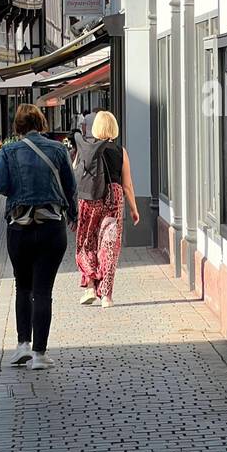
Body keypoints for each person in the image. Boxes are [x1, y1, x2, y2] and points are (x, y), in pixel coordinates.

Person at [0, 103, 77, 369]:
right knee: (43, 291)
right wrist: (73, 215)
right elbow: (70, 187)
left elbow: (1, 185)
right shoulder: (58, 149)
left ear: (18, 125)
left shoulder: (8, 151)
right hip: (52, 226)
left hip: (19, 226)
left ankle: (22, 346)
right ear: (41, 122)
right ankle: (40, 354)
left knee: (23, 286)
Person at [74, 110, 139, 308]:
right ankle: (106, 296)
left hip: (89, 200)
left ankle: (91, 286)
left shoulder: (84, 149)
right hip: (113, 198)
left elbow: (74, 174)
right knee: (109, 246)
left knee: (87, 241)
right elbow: (127, 184)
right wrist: (134, 208)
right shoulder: (121, 151)